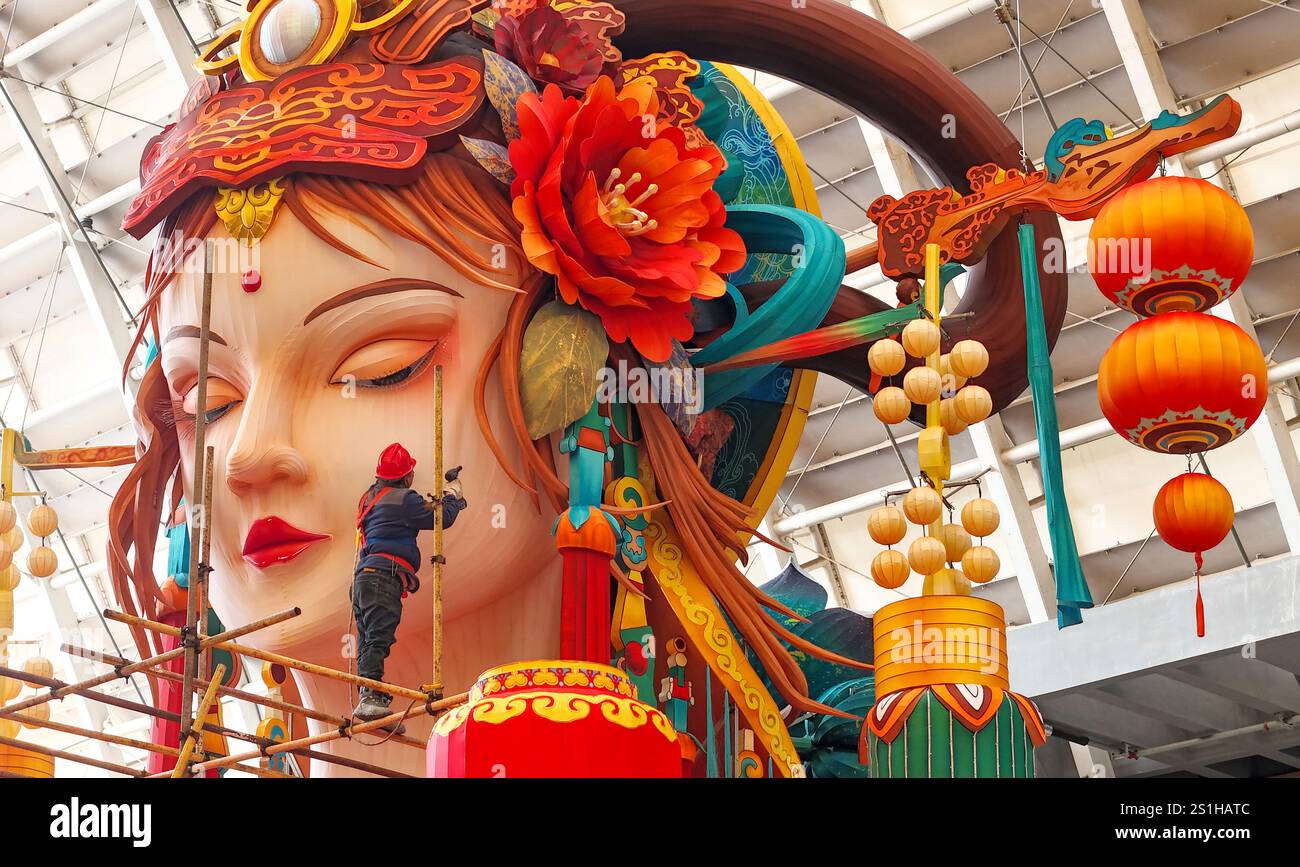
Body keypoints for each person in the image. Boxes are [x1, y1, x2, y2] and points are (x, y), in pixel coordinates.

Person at [352, 443, 467, 725]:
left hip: (362, 580)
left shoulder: (369, 498)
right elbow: (442, 518)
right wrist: (454, 495)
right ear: (406, 476)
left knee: (369, 641)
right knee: (378, 639)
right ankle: (369, 700)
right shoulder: (404, 499)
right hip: (382, 578)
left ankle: (372, 696)